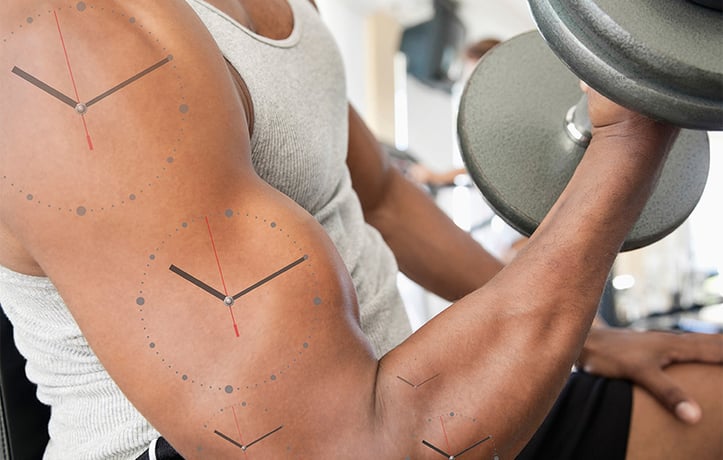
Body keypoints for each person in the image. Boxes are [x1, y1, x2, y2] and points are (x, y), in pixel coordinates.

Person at [0, 1, 720, 459]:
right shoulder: (72, 36)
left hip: (409, 398)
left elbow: (379, 198)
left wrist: (591, 341)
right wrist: (628, 140)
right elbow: (354, 449)